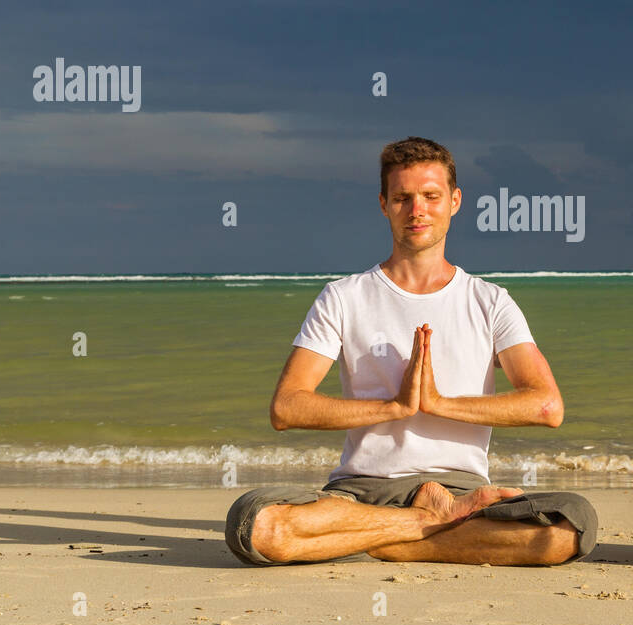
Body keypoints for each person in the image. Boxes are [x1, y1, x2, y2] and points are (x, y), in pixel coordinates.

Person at [225, 137, 597, 566]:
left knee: (569, 526)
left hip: (459, 488)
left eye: (430, 196)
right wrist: (396, 406)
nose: (416, 209)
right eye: (402, 198)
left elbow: (547, 405)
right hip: (361, 490)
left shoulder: (490, 301)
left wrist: (438, 404)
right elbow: (287, 408)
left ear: (455, 201)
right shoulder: (343, 297)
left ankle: (365, 539)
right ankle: (428, 528)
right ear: (384, 204)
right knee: (254, 523)